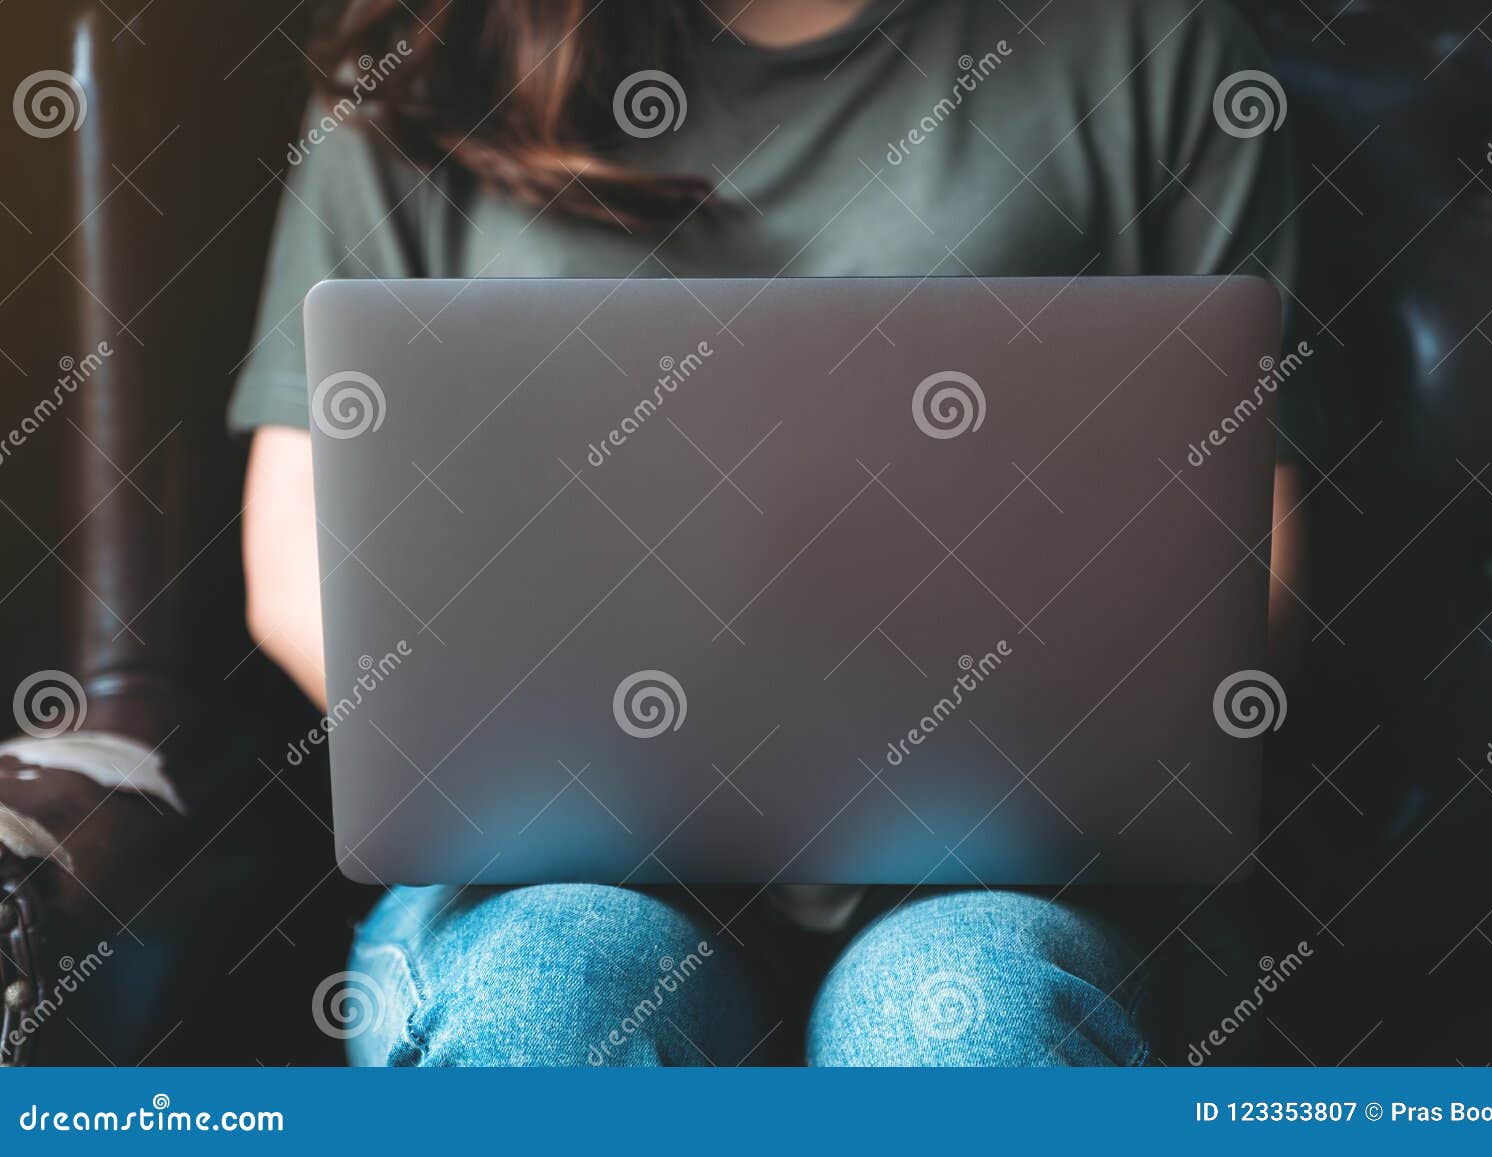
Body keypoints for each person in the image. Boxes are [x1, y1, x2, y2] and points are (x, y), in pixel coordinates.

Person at [233, 0, 1316, 1066]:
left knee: (969, 1018)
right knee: (548, 997)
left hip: (1014, 864)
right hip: (552, 865)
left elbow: (1243, 566)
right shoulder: (423, 57)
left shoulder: (1156, 44)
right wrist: (548, 762)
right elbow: (297, 568)